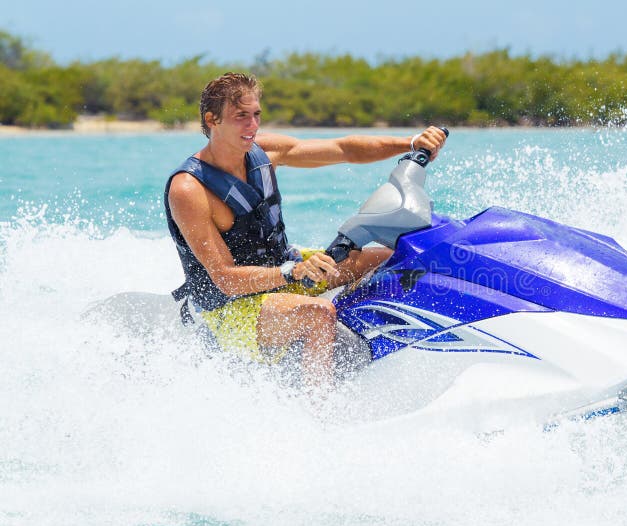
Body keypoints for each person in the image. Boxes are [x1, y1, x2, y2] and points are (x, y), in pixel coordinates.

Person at [165, 72, 447, 387]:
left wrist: (409, 143)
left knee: (389, 258)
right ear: (212, 120)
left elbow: (344, 149)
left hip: (283, 270)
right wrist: (293, 272)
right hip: (225, 308)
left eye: (256, 114)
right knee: (319, 315)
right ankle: (317, 415)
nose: (252, 125)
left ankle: (370, 343)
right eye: (240, 116)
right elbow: (225, 279)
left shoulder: (263, 152)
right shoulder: (189, 189)